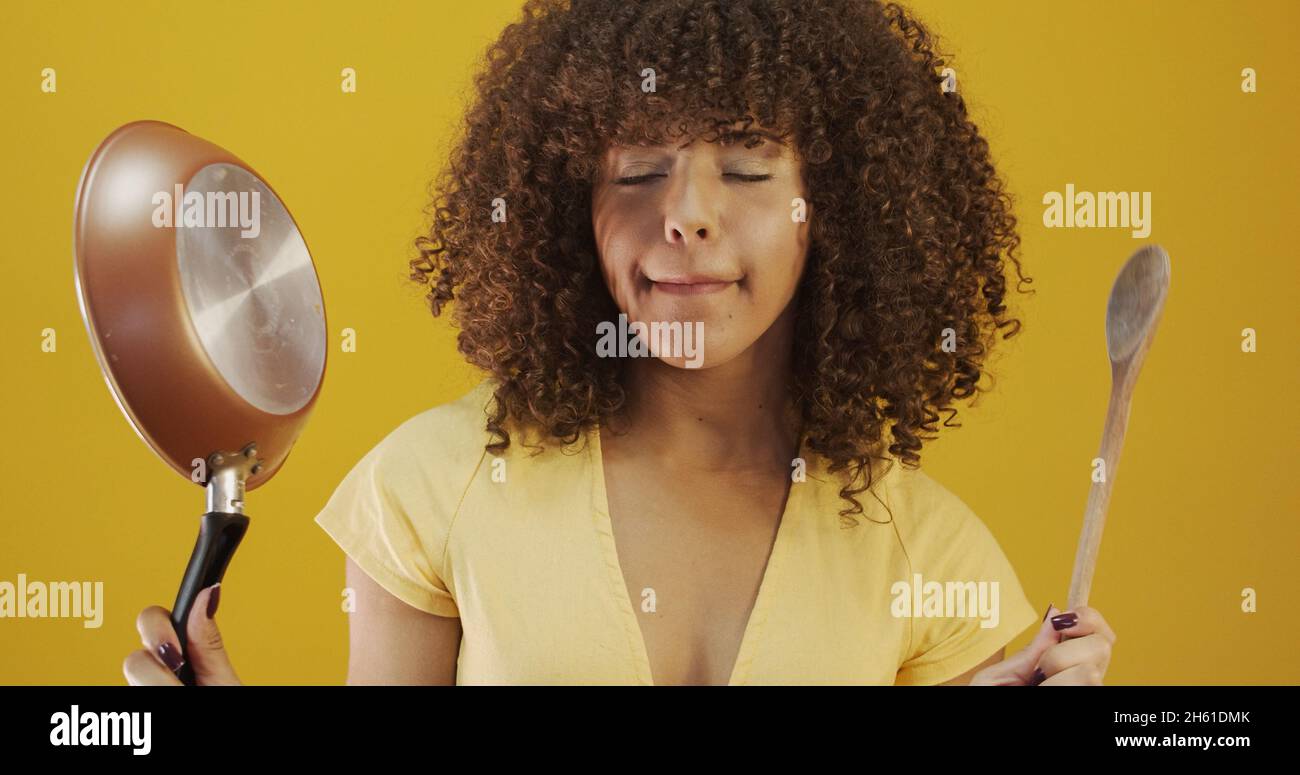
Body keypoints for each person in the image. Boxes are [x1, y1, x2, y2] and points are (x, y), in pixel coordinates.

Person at [124, 0, 1115, 686]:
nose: (684, 214)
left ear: (838, 209)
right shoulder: (437, 485)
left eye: (746, 167)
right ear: (570, 207)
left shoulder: (927, 550)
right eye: (638, 169)